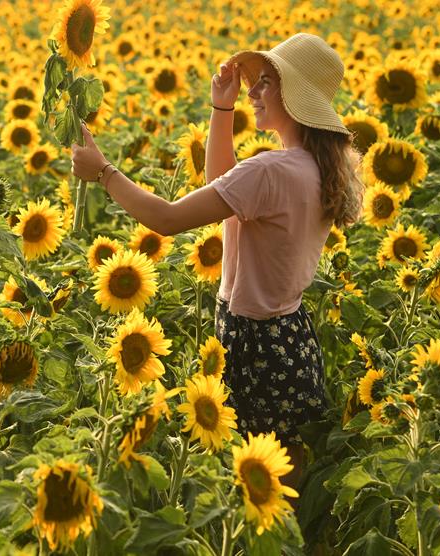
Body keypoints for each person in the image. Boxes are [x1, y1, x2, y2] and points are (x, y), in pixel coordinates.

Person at [70, 32, 363, 491]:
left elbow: (166, 219)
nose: (253, 91)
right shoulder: (313, 166)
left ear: (296, 96)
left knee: (252, 487)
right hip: (291, 338)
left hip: (253, 342)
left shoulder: (270, 171)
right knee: (286, 482)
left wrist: (104, 172)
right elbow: (223, 183)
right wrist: (221, 109)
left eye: (266, 82)